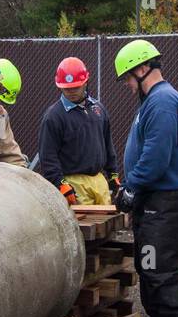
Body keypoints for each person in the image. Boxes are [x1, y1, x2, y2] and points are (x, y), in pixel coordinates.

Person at [112, 39, 178, 317]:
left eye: (127, 77)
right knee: (149, 265)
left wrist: (131, 187)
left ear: (142, 69)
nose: (126, 85)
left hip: (169, 202)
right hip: (157, 201)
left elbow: (155, 156)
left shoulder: (162, 102)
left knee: (162, 268)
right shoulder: (153, 101)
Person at [36, 56, 119, 206]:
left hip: (99, 181)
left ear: (85, 82)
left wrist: (113, 174)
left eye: (76, 87)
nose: (71, 91)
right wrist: (60, 184)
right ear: (60, 86)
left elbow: (107, 145)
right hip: (73, 184)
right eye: (67, 88)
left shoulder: (98, 109)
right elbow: (48, 157)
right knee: (84, 227)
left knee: (106, 224)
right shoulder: (54, 116)